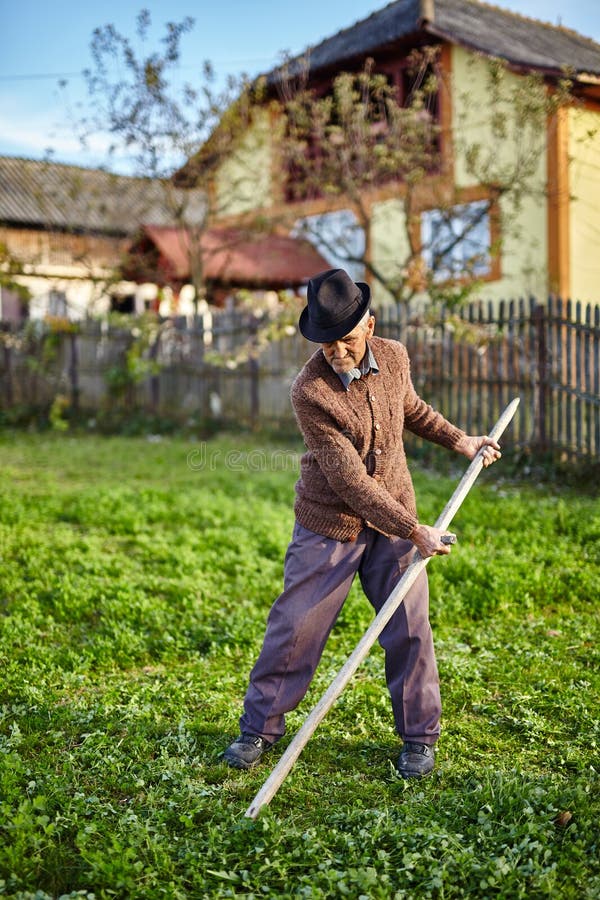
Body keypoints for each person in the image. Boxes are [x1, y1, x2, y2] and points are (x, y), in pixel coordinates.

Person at [223, 268, 501, 778]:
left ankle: (419, 738)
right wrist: (414, 529)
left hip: (394, 513)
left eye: (347, 341)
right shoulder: (310, 391)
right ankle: (257, 729)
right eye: (327, 345)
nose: (338, 353)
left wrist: (460, 440)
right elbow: (349, 481)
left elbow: (410, 408)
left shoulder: (394, 356)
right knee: (297, 625)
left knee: (410, 626)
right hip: (330, 521)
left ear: (369, 326)